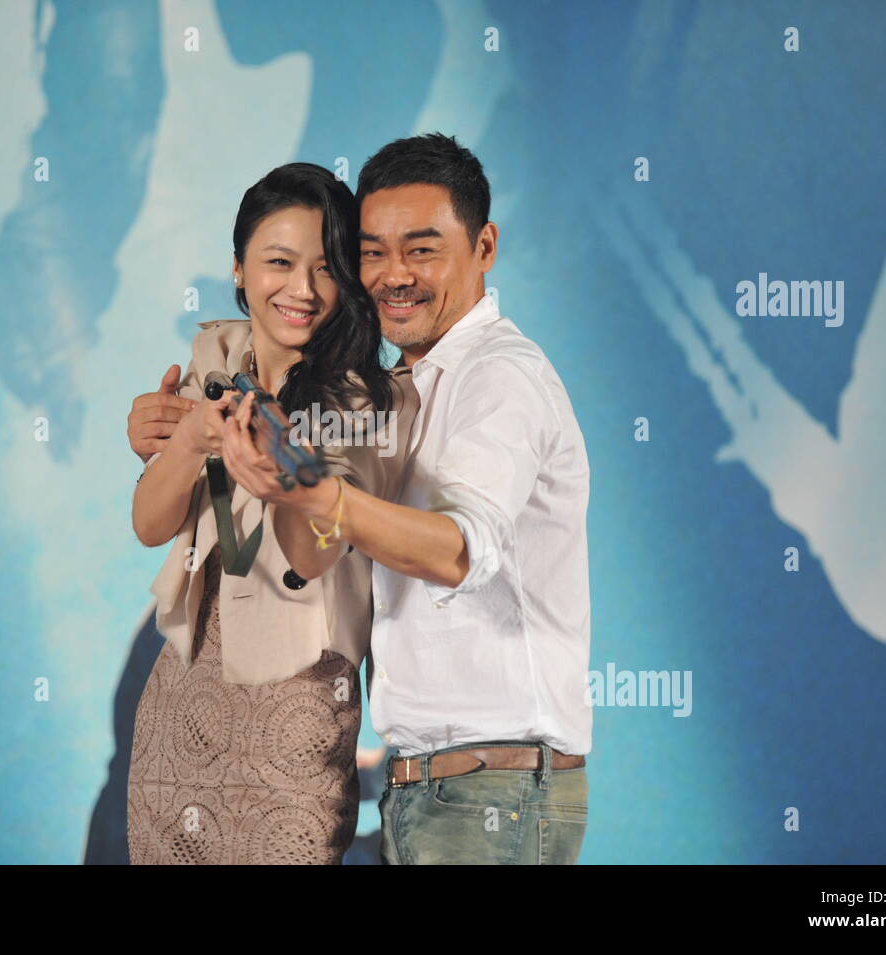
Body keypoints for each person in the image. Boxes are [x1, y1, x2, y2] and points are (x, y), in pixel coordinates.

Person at [262, 133, 593, 864]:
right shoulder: (399, 393)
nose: (392, 275)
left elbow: (458, 548)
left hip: (489, 794)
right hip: (436, 790)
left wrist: (325, 496)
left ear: (484, 247)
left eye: (421, 248)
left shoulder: (498, 378)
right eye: (373, 252)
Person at [125, 162, 418, 865]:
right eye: (279, 262)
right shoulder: (215, 360)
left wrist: (291, 473)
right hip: (183, 704)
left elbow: (311, 557)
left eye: (325, 269)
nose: (302, 290)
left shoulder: (364, 402)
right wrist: (195, 434)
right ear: (238, 269)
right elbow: (148, 523)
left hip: (297, 720)